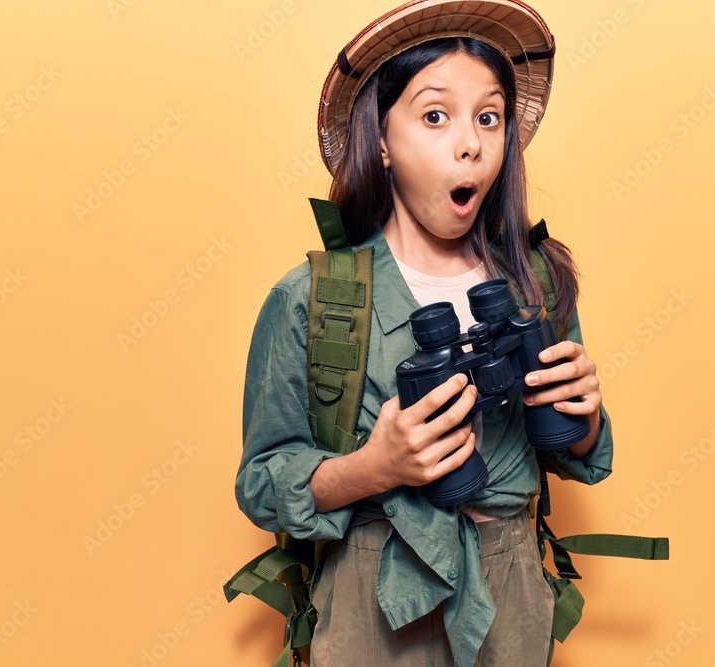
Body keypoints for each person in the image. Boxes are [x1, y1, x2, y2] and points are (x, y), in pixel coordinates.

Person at [236, 1, 613, 664]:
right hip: (374, 601)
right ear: (380, 139)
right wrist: (372, 468)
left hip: (512, 595)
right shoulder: (315, 299)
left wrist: (580, 414)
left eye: (488, 117)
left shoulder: (533, 284)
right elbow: (262, 482)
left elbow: (575, 449)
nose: (469, 142)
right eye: (434, 115)